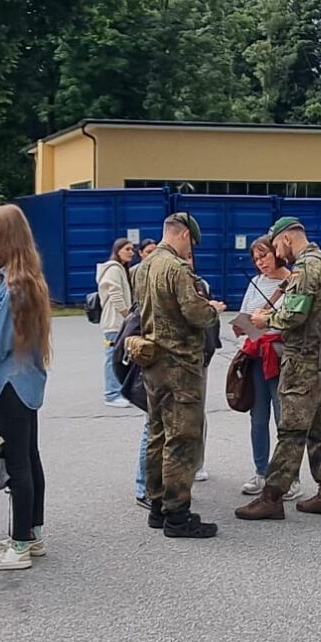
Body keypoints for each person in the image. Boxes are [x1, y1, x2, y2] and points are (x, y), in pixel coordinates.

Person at [237, 216, 321, 521]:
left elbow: (294, 315)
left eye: (277, 246)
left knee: (291, 429)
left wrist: (264, 320)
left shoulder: (308, 266)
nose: (278, 253)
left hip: (303, 358)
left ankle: (271, 497)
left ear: (285, 238)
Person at [0, 204, 52, 571]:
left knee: (17, 464)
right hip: (28, 382)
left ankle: (19, 544)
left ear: (8, 235)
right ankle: (32, 534)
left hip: (10, 382)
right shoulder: (28, 277)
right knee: (29, 459)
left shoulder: (14, 283)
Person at [138, 212, 225, 539]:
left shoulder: (143, 267)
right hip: (180, 366)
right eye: (192, 244)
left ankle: (158, 505)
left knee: (157, 432)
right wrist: (213, 309)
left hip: (153, 364)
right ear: (185, 235)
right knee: (182, 439)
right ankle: (178, 514)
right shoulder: (176, 269)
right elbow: (195, 312)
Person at [237, 237, 294, 485]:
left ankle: (289, 477)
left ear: (277, 254)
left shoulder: (292, 280)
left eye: (265, 256)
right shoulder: (255, 283)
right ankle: (261, 471)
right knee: (258, 417)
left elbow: (295, 319)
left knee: (285, 419)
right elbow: (244, 315)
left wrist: (267, 320)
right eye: (257, 259)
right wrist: (245, 324)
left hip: (281, 356)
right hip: (256, 356)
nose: (261, 263)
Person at [96, 237, 137, 408]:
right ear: (117, 251)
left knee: (120, 357)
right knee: (112, 355)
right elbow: (115, 294)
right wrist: (127, 314)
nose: (131, 252)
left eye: (132, 249)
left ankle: (119, 391)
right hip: (114, 321)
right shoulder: (113, 269)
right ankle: (111, 394)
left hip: (119, 321)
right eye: (127, 249)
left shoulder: (122, 269)